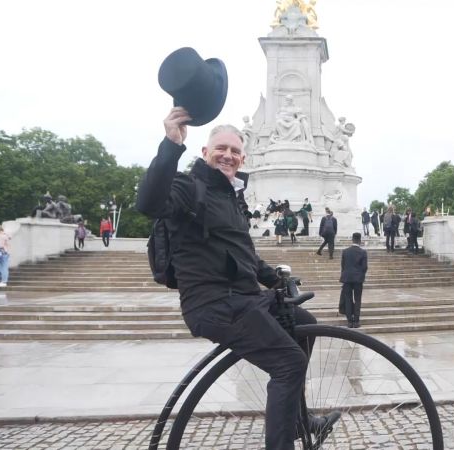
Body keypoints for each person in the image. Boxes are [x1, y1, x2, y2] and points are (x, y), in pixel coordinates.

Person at [137, 107, 336, 449]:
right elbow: (148, 203)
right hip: (214, 303)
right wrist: (171, 145)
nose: (227, 155)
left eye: (234, 151)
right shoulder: (189, 187)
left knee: (303, 323)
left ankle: (299, 422)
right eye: (221, 148)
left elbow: (244, 257)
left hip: (243, 299)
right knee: (288, 362)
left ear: (242, 158)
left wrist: (275, 278)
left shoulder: (230, 197)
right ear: (205, 152)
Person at [339, 232, 367, 328]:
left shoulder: (345, 251)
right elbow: (364, 267)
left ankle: (349, 321)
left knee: (348, 299)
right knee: (358, 299)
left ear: (352, 240)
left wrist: (344, 275)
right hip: (358, 279)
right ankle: (356, 321)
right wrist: (361, 275)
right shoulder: (363, 252)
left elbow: (343, 266)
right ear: (359, 240)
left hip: (347, 278)